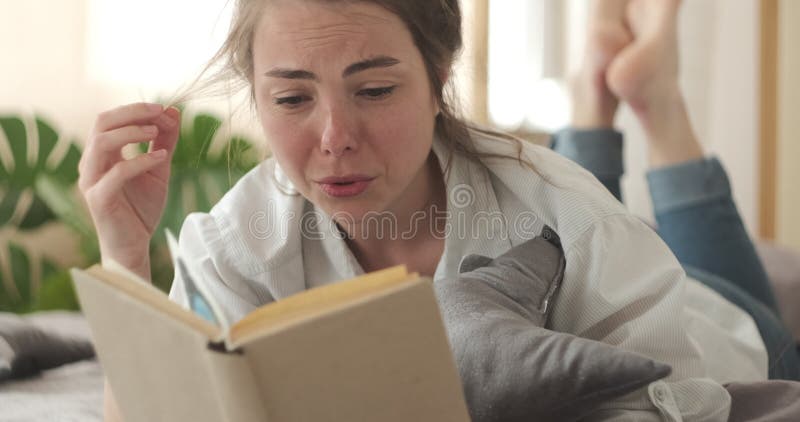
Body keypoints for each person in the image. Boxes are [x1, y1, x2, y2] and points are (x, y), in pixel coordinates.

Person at [76, 0, 796, 420]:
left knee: (613, 216)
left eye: (375, 90)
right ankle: (600, 93)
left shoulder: (577, 217)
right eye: (292, 98)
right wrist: (126, 258)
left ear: (439, 75)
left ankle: (653, 104)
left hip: (720, 324)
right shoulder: (239, 240)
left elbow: (683, 400)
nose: (335, 140)